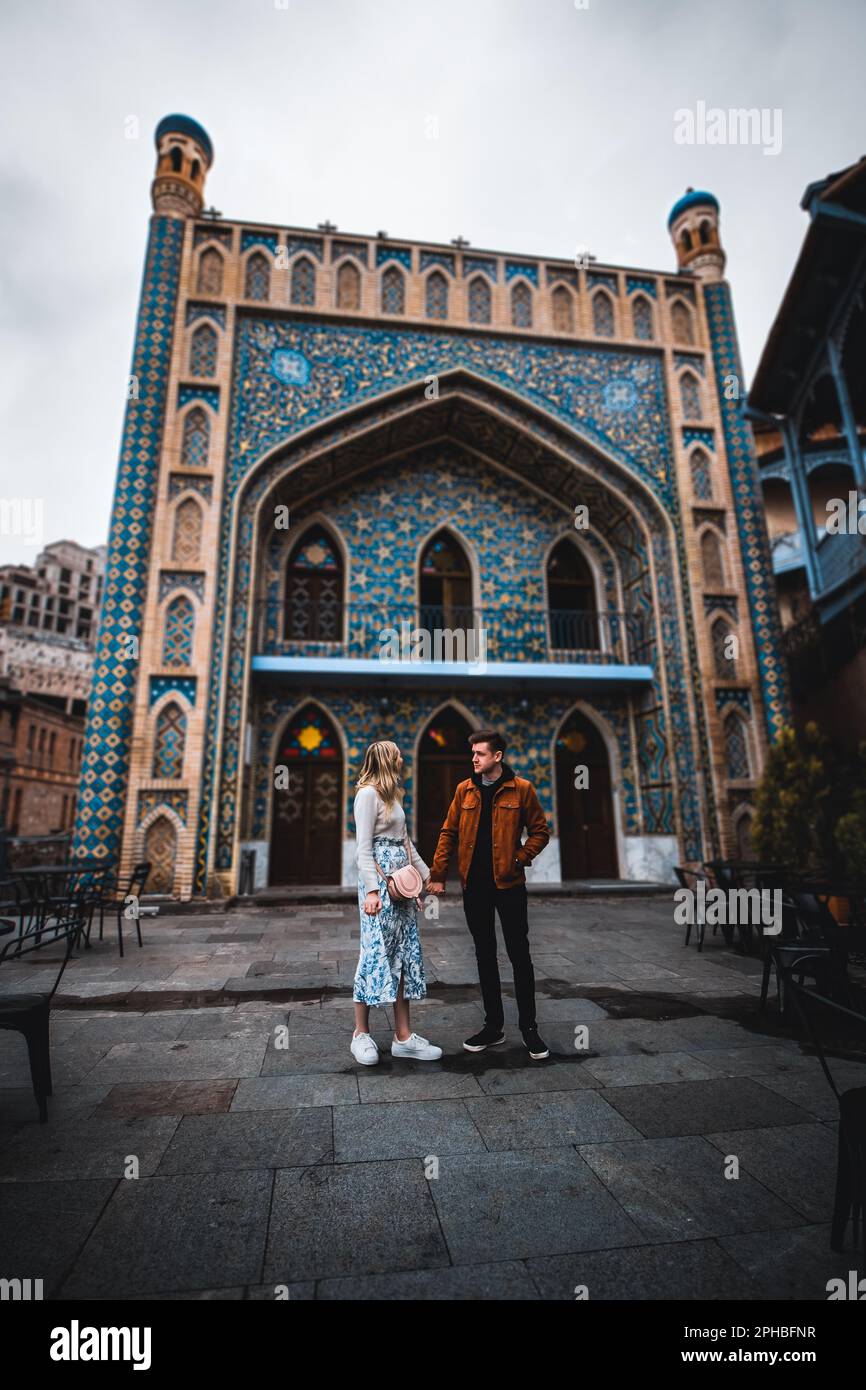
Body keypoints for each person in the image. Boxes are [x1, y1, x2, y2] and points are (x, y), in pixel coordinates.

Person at [428, 729, 551, 1060]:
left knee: (519, 955)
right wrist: (438, 874)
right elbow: (448, 832)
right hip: (475, 887)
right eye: (473, 753)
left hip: (509, 886)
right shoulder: (464, 790)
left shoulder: (521, 790)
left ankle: (529, 1029)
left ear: (497, 756)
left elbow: (541, 831)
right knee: (485, 955)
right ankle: (493, 1026)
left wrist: (519, 858)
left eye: (480, 753)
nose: (474, 759)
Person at [351, 740, 443, 1066]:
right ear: (386, 759)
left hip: (402, 887)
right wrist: (373, 891)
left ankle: (403, 1037)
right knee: (375, 952)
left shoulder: (393, 799)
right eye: (397, 753)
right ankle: (360, 1034)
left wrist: (428, 877)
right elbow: (362, 848)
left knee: (403, 954)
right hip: (378, 887)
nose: (402, 757)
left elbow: (407, 845)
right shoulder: (367, 795)